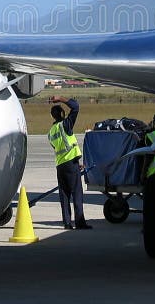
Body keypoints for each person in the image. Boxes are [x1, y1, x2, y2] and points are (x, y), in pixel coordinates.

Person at [48, 95, 92, 229]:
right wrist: (61, 98)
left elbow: (59, 148)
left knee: (64, 195)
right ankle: (80, 222)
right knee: (77, 193)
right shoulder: (65, 125)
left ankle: (67, 223)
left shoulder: (51, 132)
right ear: (62, 114)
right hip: (71, 165)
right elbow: (76, 107)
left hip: (60, 166)